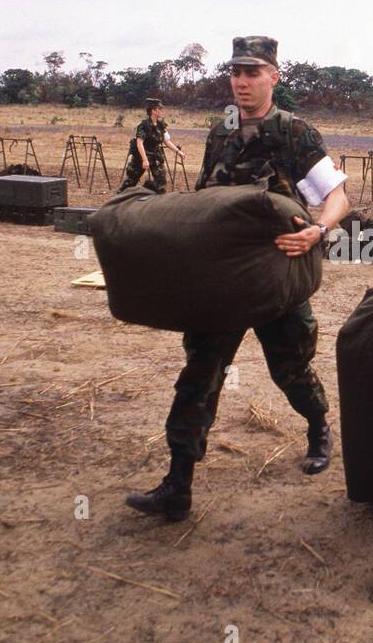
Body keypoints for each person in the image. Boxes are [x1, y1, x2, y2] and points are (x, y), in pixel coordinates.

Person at [126, 36, 352, 521]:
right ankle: (177, 484)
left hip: (277, 274)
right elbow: (207, 199)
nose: (242, 81)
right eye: (236, 73)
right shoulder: (221, 130)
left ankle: (318, 428)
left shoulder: (295, 131)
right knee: (199, 374)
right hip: (222, 277)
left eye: (253, 72)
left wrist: (319, 230)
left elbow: (336, 198)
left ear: (274, 75)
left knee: (290, 370)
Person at [116, 98, 184, 194]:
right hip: (141, 157)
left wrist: (178, 151)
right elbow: (139, 143)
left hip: (155, 157)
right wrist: (144, 160)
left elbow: (166, 141)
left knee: (161, 181)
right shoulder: (144, 125)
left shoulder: (161, 125)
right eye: (159, 109)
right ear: (153, 111)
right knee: (130, 183)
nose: (161, 111)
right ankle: (118, 201)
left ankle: (157, 203)